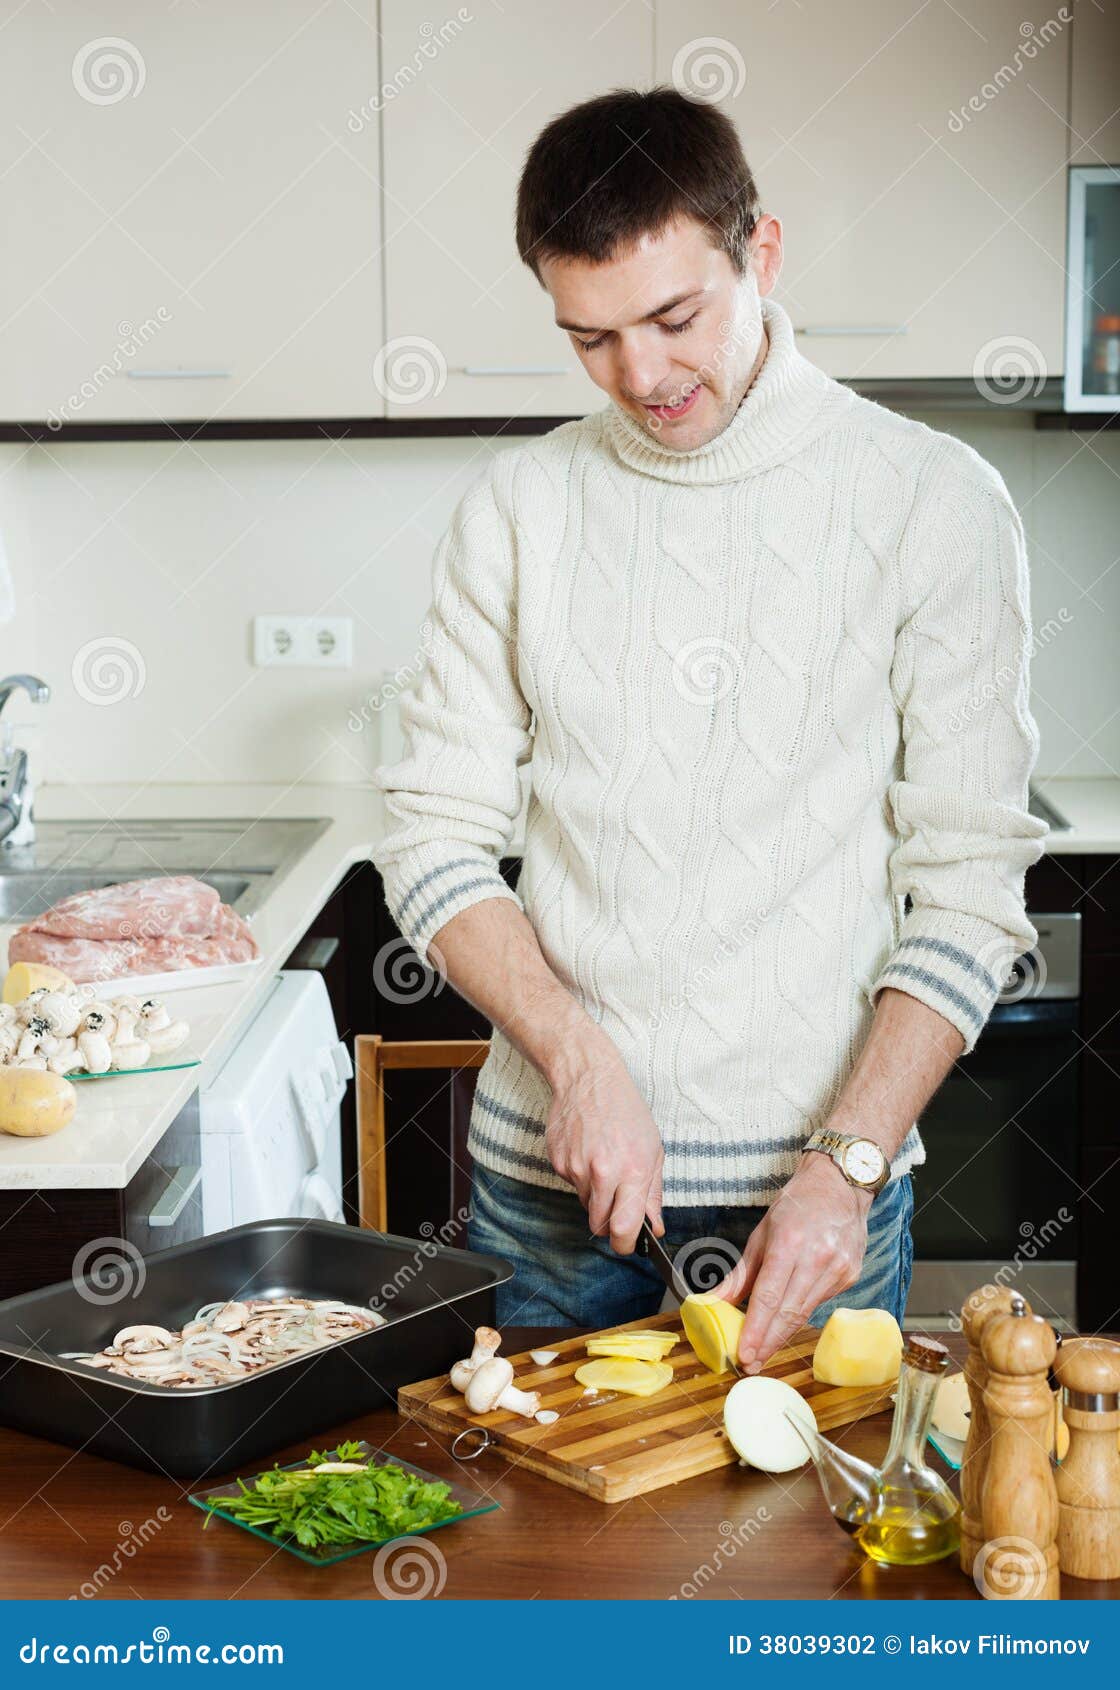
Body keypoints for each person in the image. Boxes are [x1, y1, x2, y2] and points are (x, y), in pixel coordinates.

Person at [372, 86, 1047, 1371]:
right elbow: (429, 841)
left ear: (762, 252)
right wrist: (577, 1060)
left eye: (675, 317)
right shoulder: (519, 507)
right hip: (550, 1201)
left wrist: (844, 1168)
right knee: (551, 1565)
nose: (640, 375)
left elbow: (966, 897)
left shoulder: (931, 500)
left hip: (815, 1203)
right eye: (589, 338)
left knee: (809, 1561)